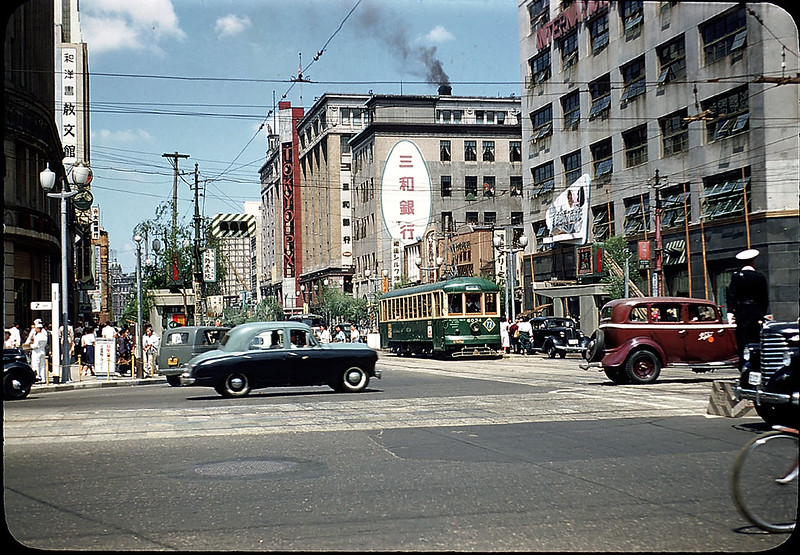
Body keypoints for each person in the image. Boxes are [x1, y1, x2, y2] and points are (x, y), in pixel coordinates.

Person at [726, 248, 769, 367]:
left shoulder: (736, 276)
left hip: (742, 313)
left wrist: (730, 312)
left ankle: (744, 365)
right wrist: (762, 313)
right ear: (753, 262)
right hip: (756, 313)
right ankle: (757, 364)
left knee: (743, 341)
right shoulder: (760, 277)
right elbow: (764, 298)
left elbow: (731, 295)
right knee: (756, 340)